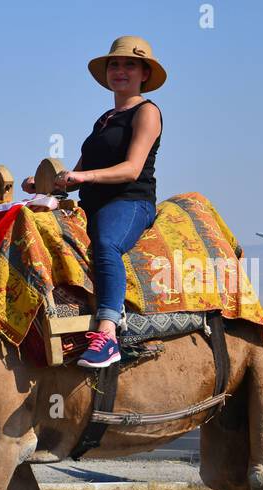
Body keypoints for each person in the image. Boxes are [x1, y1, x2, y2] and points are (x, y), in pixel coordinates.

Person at [24, 35, 165, 368]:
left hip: (130, 203)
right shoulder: (104, 119)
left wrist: (83, 178)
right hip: (92, 203)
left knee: (105, 243)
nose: (120, 70)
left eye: (130, 64)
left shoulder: (147, 113)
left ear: (144, 73)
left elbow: (131, 169)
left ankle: (108, 333)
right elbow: (79, 174)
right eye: (114, 64)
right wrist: (48, 186)